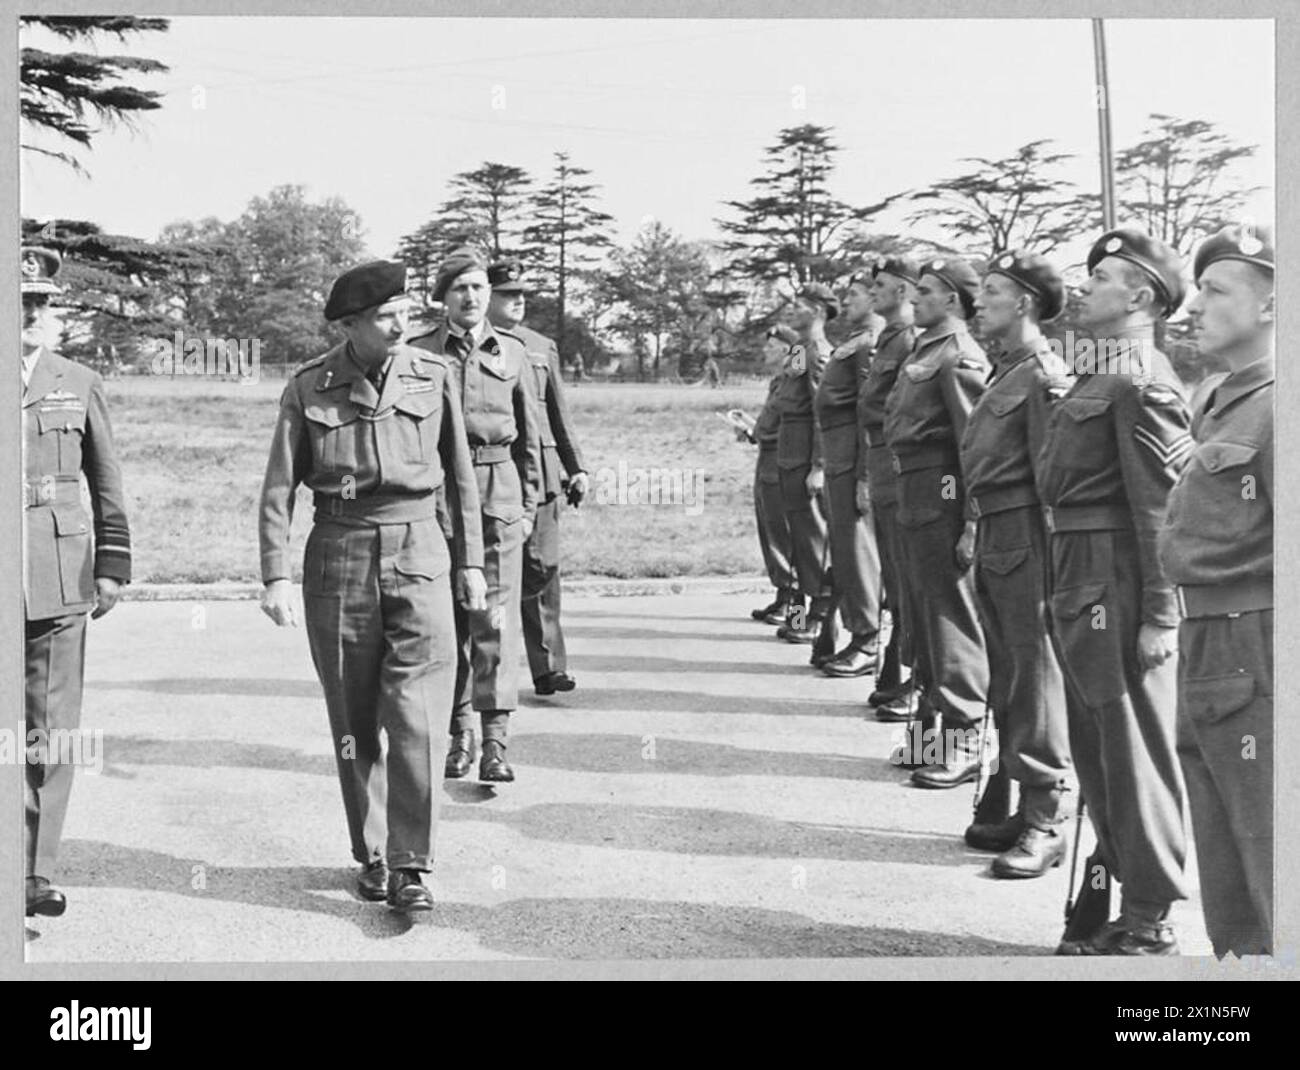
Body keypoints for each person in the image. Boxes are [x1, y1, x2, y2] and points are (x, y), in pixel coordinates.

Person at [259, 259, 485, 913]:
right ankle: (376, 853)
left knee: (415, 715)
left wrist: (470, 562)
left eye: (406, 311)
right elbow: (279, 486)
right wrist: (276, 571)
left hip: (420, 551)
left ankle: (413, 864)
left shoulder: (433, 374)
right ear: (353, 325)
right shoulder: (310, 387)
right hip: (339, 557)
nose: (403, 322)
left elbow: (461, 477)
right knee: (354, 721)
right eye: (387, 315)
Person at [1037, 228, 1193, 955]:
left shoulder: (1141, 379)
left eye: (1102, 277)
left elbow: (1161, 509)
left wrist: (1160, 613)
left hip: (1117, 579)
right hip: (1075, 569)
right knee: (1097, 752)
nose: (1087, 286)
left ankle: (1149, 916)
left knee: (1131, 752)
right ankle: (1117, 892)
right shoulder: (1098, 372)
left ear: (1139, 295)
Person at [1158, 223, 1274, 957]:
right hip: (1206, 640)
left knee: (1272, 865)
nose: (1194, 304)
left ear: (1271, 306)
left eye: (1214, 289)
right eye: (1196, 286)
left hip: (1259, 645)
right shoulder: (1218, 398)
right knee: (1228, 874)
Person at [22, 245, 132, 918]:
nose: (33, 312)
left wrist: (114, 561)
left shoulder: (78, 380)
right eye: (20, 300)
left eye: (41, 302)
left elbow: (107, 476)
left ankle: (35, 871)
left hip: (59, 572)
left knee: (51, 728)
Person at [408, 248, 542, 784]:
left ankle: (495, 743)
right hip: (439, 500)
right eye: (460, 288)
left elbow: (531, 438)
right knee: (448, 623)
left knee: (496, 623)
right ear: (443, 296)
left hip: (498, 493)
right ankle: (457, 736)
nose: (471, 297)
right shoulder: (417, 352)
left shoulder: (511, 353)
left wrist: (528, 507)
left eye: (479, 288)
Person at [962, 251, 1073, 877]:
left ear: (1025, 302)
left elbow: (1052, 481)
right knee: (1007, 677)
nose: (980, 301)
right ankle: (1022, 801)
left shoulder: (1043, 377)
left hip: (1027, 537)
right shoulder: (1008, 372)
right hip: (998, 533)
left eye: (994, 292)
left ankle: (1045, 819)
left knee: (1035, 679)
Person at [883, 257, 991, 788]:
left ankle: (967, 734)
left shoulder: (958, 355)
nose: (914, 299)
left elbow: (974, 444)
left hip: (943, 494)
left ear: (951, 300)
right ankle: (932, 737)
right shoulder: (926, 348)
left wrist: (971, 520)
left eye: (924, 292)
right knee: (925, 617)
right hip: (913, 490)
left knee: (951, 619)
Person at [485, 258, 589, 697]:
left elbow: (557, 413)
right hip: (491, 470)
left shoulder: (540, 346)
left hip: (541, 472)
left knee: (542, 567)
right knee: (487, 571)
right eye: (508, 294)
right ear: (486, 296)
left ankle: (548, 667)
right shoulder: (468, 347)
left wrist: (576, 466)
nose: (519, 300)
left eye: (522, 293)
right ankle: (485, 672)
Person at [814, 271, 884, 678]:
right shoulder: (846, 343)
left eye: (858, 294)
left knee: (859, 555)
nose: (852, 300)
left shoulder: (868, 344)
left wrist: (862, 475)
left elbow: (868, 412)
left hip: (848, 464)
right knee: (843, 553)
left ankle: (868, 637)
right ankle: (854, 631)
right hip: (836, 461)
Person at [860, 259, 920, 721]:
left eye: (879, 286)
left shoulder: (912, 341)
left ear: (903, 291)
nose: (870, 292)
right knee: (898, 587)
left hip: (906, 478)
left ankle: (915, 683)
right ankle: (902, 677)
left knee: (914, 591)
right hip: (884, 471)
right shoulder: (889, 340)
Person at [772, 283, 838, 666]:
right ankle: (799, 618)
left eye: (801, 304)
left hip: (803, 458)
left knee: (813, 543)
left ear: (818, 311)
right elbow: (786, 399)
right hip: (787, 452)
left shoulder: (818, 354)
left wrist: (818, 466)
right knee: (797, 544)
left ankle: (818, 616)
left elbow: (820, 414)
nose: (792, 309)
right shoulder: (799, 349)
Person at [748, 327, 802, 626]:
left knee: (786, 534)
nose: (765, 351)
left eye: (771, 347)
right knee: (771, 532)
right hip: (768, 458)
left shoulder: (796, 380)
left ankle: (796, 610)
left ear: (785, 350)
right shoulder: (779, 381)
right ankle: (784, 596)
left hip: (783, 461)